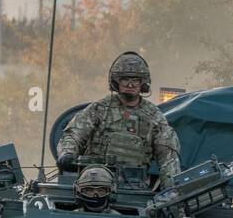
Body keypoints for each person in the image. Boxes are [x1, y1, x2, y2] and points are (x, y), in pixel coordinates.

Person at [56, 51, 181, 189]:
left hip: (135, 188)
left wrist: (171, 191)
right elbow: (74, 134)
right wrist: (67, 153)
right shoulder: (100, 109)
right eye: (125, 79)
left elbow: (168, 157)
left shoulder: (154, 117)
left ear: (143, 84)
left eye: (136, 80)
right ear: (116, 82)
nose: (130, 84)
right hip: (93, 183)